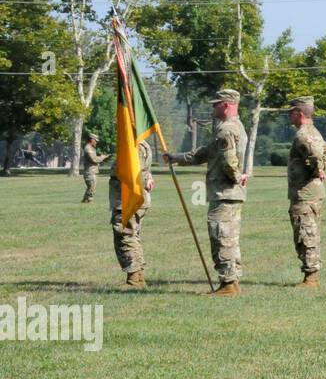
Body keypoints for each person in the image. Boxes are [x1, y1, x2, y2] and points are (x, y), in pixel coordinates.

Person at [164, 88, 248, 297]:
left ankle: (228, 284)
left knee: (221, 236)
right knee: (230, 237)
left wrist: (237, 176)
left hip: (224, 192)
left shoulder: (226, 129)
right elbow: (205, 152)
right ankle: (232, 281)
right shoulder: (233, 127)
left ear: (226, 105)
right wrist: (176, 157)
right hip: (230, 193)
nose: (212, 107)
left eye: (216, 103)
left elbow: (229, 162)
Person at [286, 96, 326, 288]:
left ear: (299, 113)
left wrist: (318, 170)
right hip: (312, 192)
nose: (289, 115)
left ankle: (311, 277)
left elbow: (316, 155)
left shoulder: (303, 135)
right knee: (311, 232)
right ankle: (311, 274)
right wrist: (321, 168)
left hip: (305, 193)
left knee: (305, 233)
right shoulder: (314, 132)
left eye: (291, 112)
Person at [108, 137, 153, 289]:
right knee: (132, 236)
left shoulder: (133, 144)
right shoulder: (141, 143)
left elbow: (135, 172)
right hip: (133, 198)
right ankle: (138, 278)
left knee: (125, 236)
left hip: (128, 199)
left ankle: (134, 279)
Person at [81, 132, 108, 203]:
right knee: (92, 187)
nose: (96, 142)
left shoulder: (91, 148)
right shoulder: (88, 148)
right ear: (91, 140)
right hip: (90, 172)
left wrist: (103, 158)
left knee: (91, 187)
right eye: (95, 140)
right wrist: (102, 157)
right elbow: (94, 159)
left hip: (92, 171)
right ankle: (89, 200)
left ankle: (85, 201)